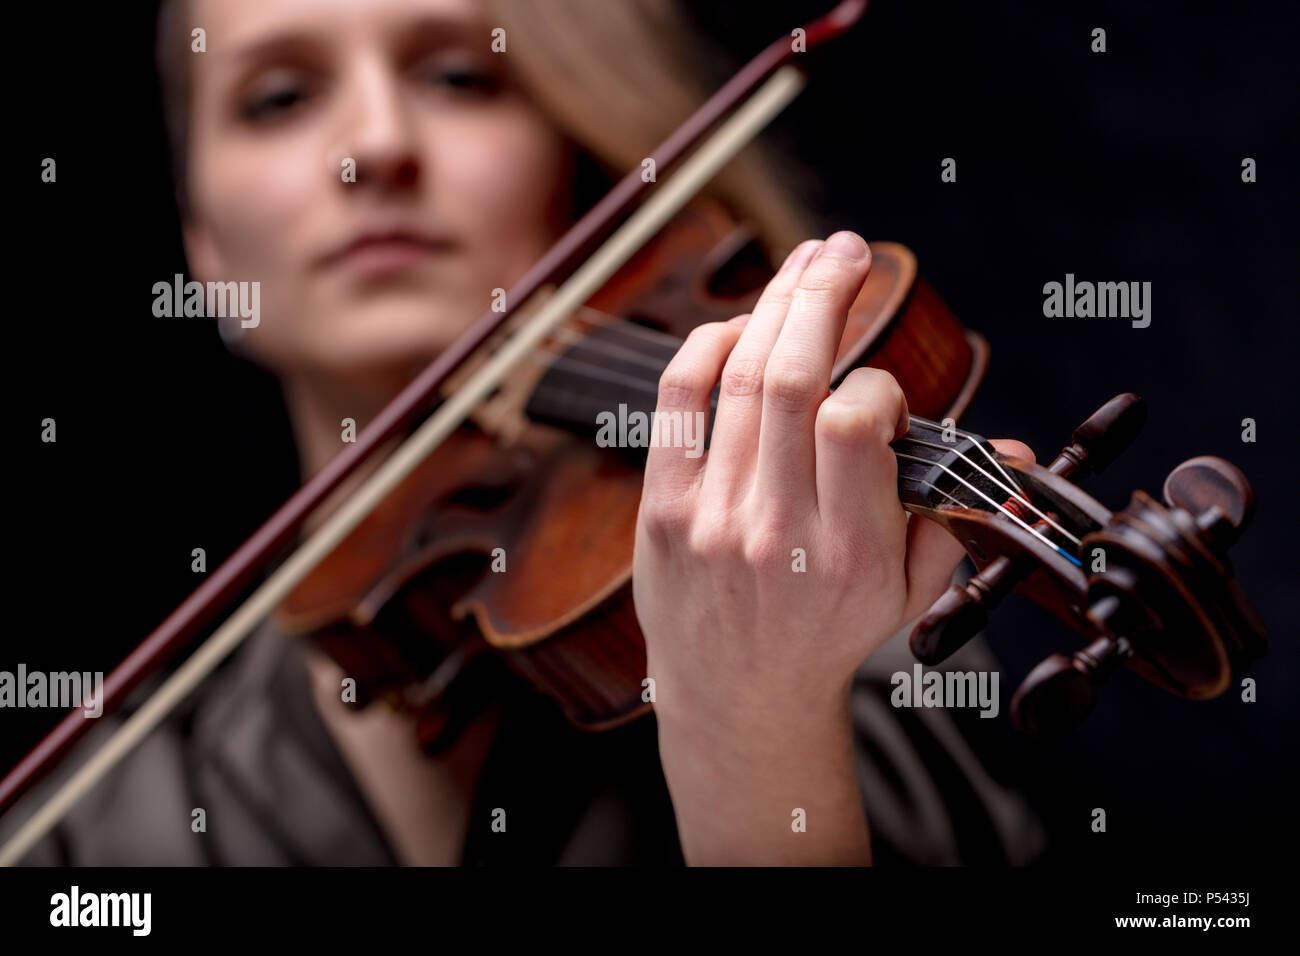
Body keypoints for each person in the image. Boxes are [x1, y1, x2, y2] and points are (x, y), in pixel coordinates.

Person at [1, 0, 1045, 865]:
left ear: (573, 156)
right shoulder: (97, 826)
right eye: (278, 98)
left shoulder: (808, 612)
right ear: (206, 247)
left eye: (460, 78)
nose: (375, 146)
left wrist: (756, 732)